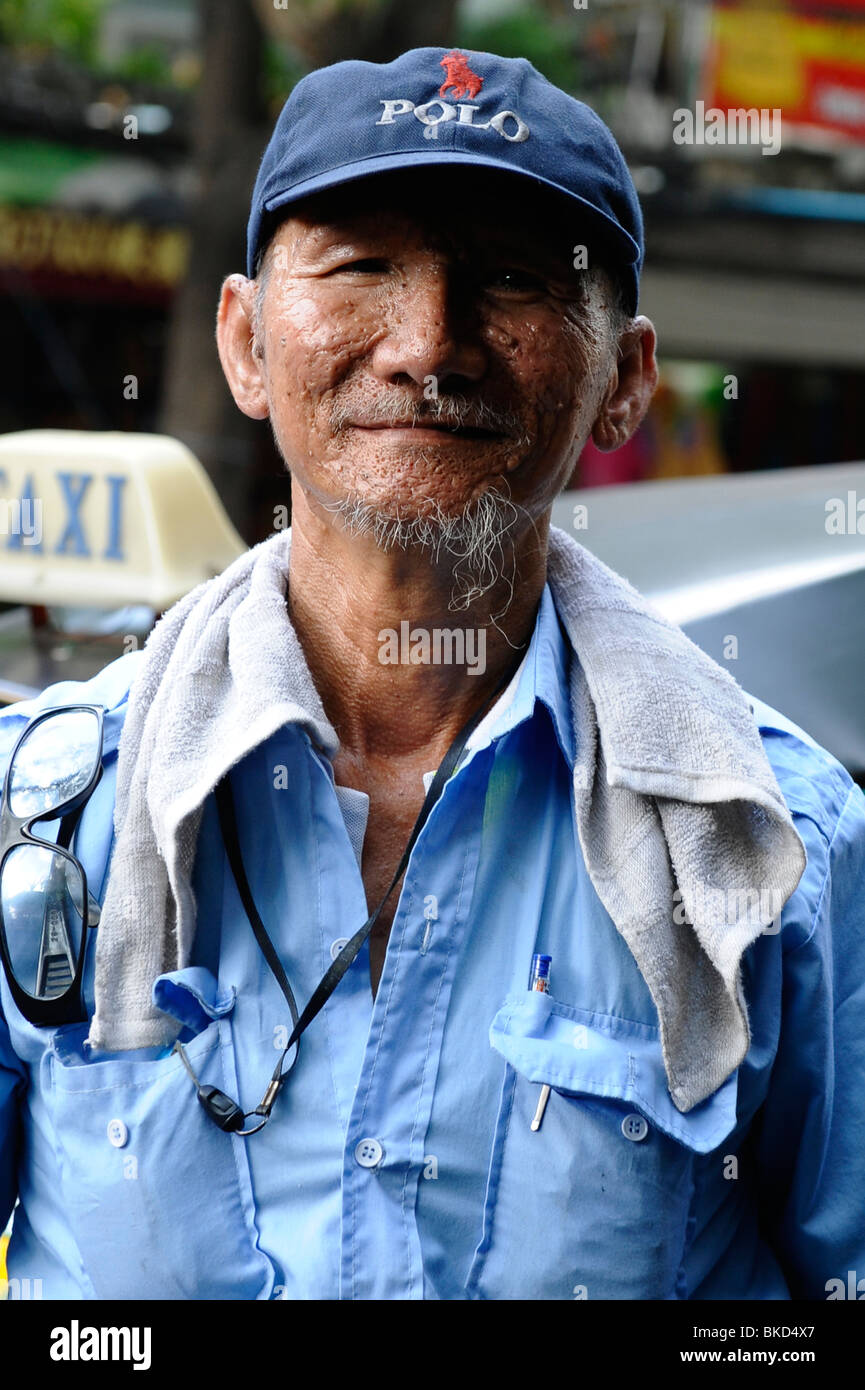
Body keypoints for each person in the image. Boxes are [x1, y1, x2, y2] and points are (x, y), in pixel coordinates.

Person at [1, 46, 863, 1302]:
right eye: (362, 266)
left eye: (511, 278)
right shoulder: (46, 822)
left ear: (623, 377)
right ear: (244, 344)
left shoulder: (778, 852)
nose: (430, 345)